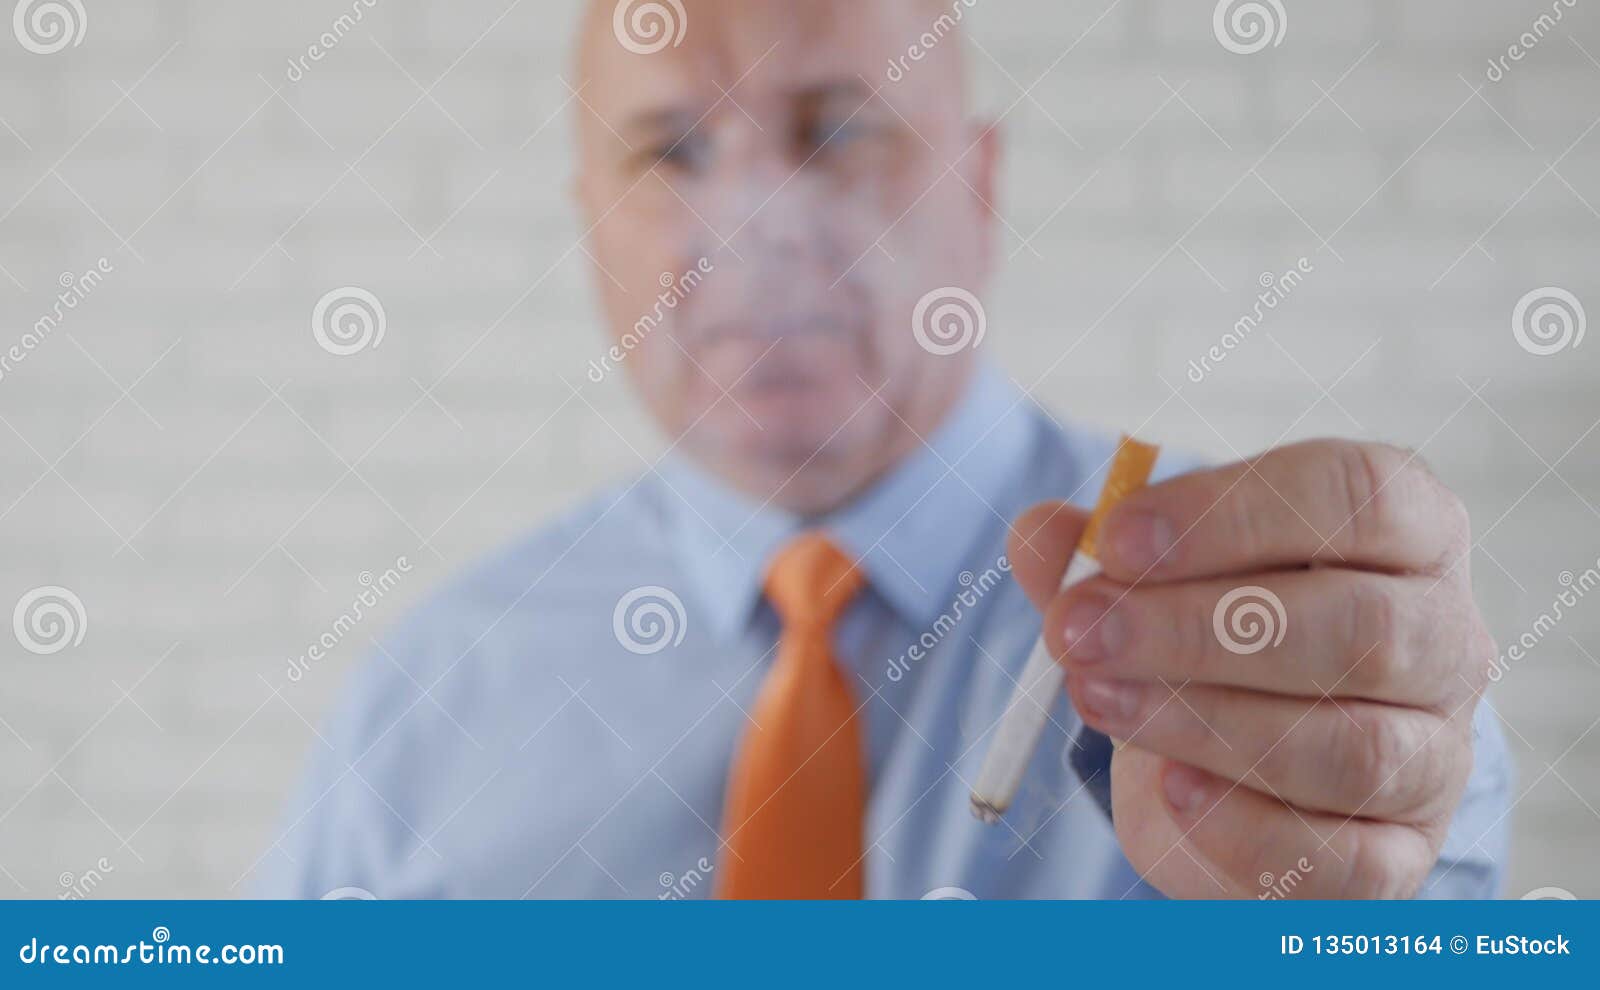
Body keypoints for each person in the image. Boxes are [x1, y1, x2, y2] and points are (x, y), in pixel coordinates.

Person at [260, 0, 1510, 899]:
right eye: (670, 151)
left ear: (976, 189)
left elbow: (1424, 882)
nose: (755, 233)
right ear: (591, 225)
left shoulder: (1247, 629)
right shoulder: (425, 705)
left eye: (835, 132)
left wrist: (1372, 856)